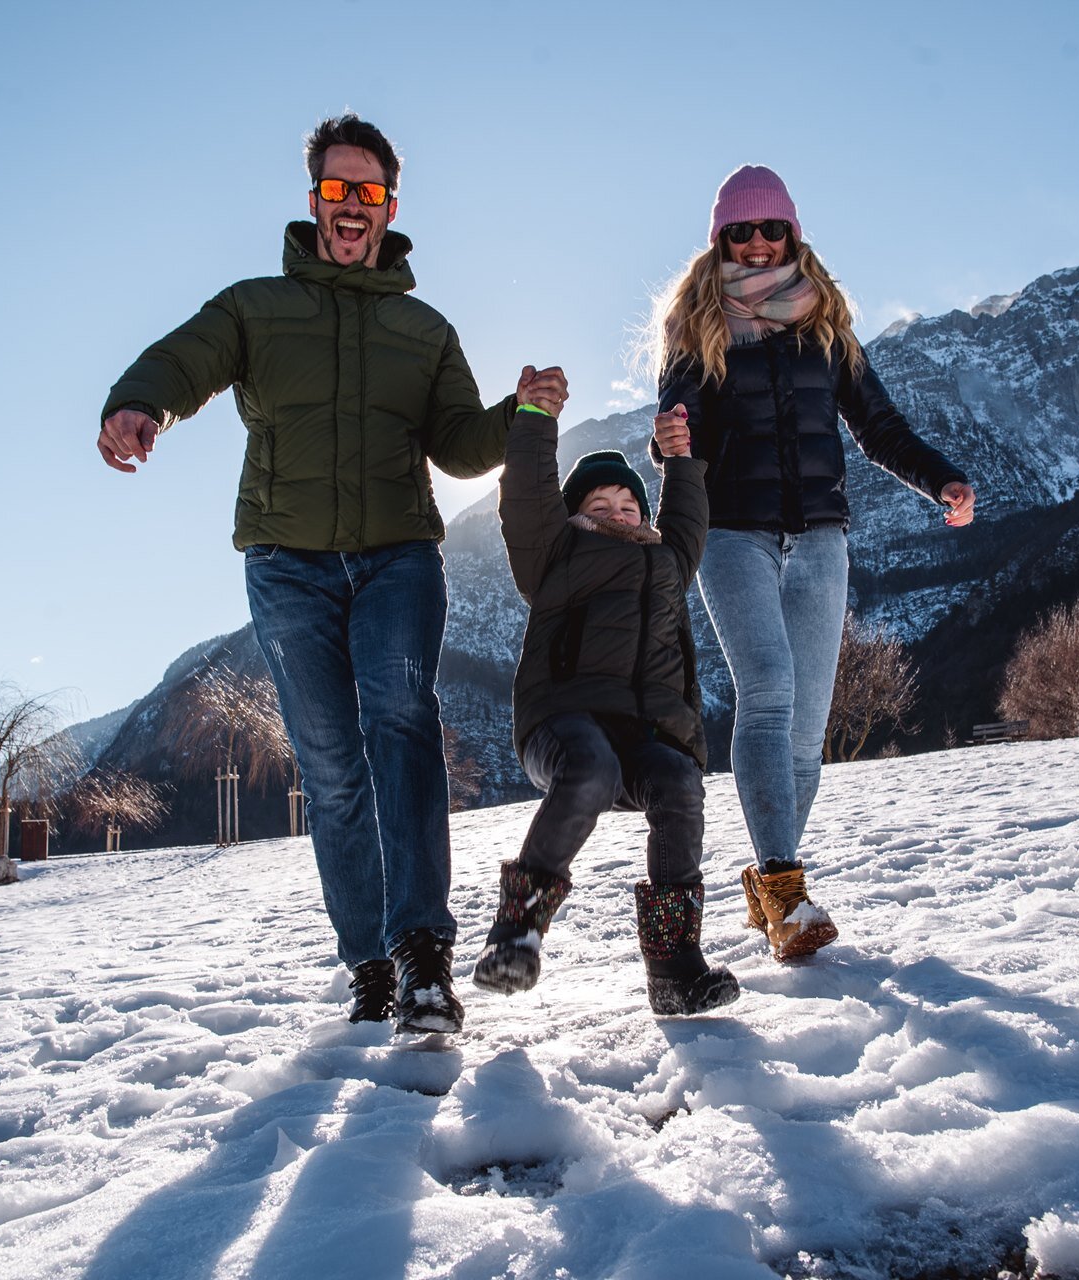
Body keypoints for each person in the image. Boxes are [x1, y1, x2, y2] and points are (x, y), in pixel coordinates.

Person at [97, 114, 568, 1034]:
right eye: (337, 189)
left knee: (402, 726)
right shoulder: (254, 309)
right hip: (287, 566)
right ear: (314, 198)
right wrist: (138, 403)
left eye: (370, 193)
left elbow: (459, 445)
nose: (352, 207)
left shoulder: (423, 327)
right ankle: (371, 963)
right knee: (331, 765)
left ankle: (425, 953)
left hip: (397, 554)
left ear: (391, 207)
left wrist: (517, 411)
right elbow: (184, 361)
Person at [650, 165, 975, 963]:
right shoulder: (701, 330)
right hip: (733, 535)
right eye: (742, 233)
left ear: (793, 236)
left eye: (772, 231)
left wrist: (940, 478)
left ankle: (770, 892)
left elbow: (879, 425)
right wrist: (669, 445)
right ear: (720, 241)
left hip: (822, 537)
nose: (758, 245)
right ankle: (787, 888)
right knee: (767, 692)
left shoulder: (827, 328)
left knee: (804, 734)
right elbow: (679, 424)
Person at [472, 405, 740, 1016]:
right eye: (599, 507)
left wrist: (678, 457)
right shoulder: (555, 554)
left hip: (646, 732)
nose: (617, 516)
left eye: (628, 507)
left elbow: (687, 514)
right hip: (565, 724)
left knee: (678, 782)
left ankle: (675, 969)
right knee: (590, 768)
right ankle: (517, 931)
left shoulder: (669, 560)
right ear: (572, 518)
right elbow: (526, 497)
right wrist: (538, 419)